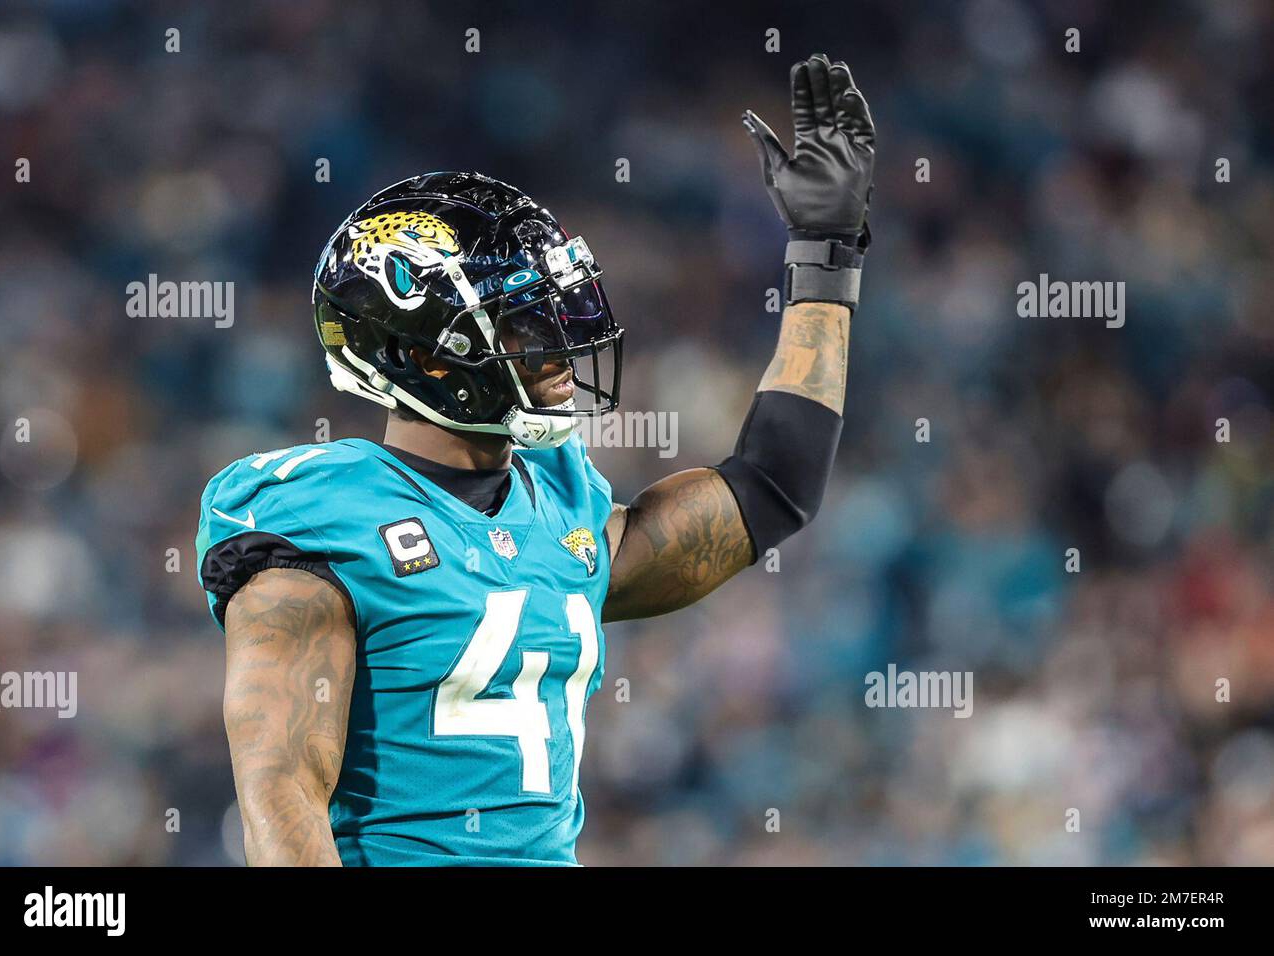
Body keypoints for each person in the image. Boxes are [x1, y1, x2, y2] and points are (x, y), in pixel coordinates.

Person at [195, 53, 875, 865]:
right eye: (525, 322)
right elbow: (281, 791)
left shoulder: (558, 504)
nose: (560, 345)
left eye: (560, 309)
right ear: (428, 357)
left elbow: (773, 485)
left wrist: (825, 258)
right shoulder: (322, 524)